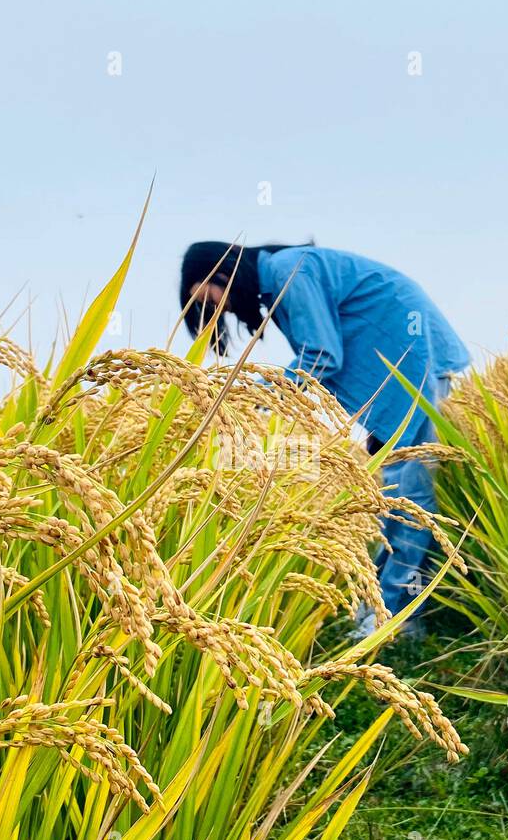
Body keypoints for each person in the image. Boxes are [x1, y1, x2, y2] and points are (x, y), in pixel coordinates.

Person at [179, 242, 470, 634]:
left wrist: (254, 394)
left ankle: (396, 621)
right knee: (396, 493)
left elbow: (322, 353)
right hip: (409, 359)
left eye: (210, 297)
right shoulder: (282, 277)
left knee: (410, 496)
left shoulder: (289, 272)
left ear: (224, 271)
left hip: (415, 354)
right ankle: (385, 610)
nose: (219, 310)